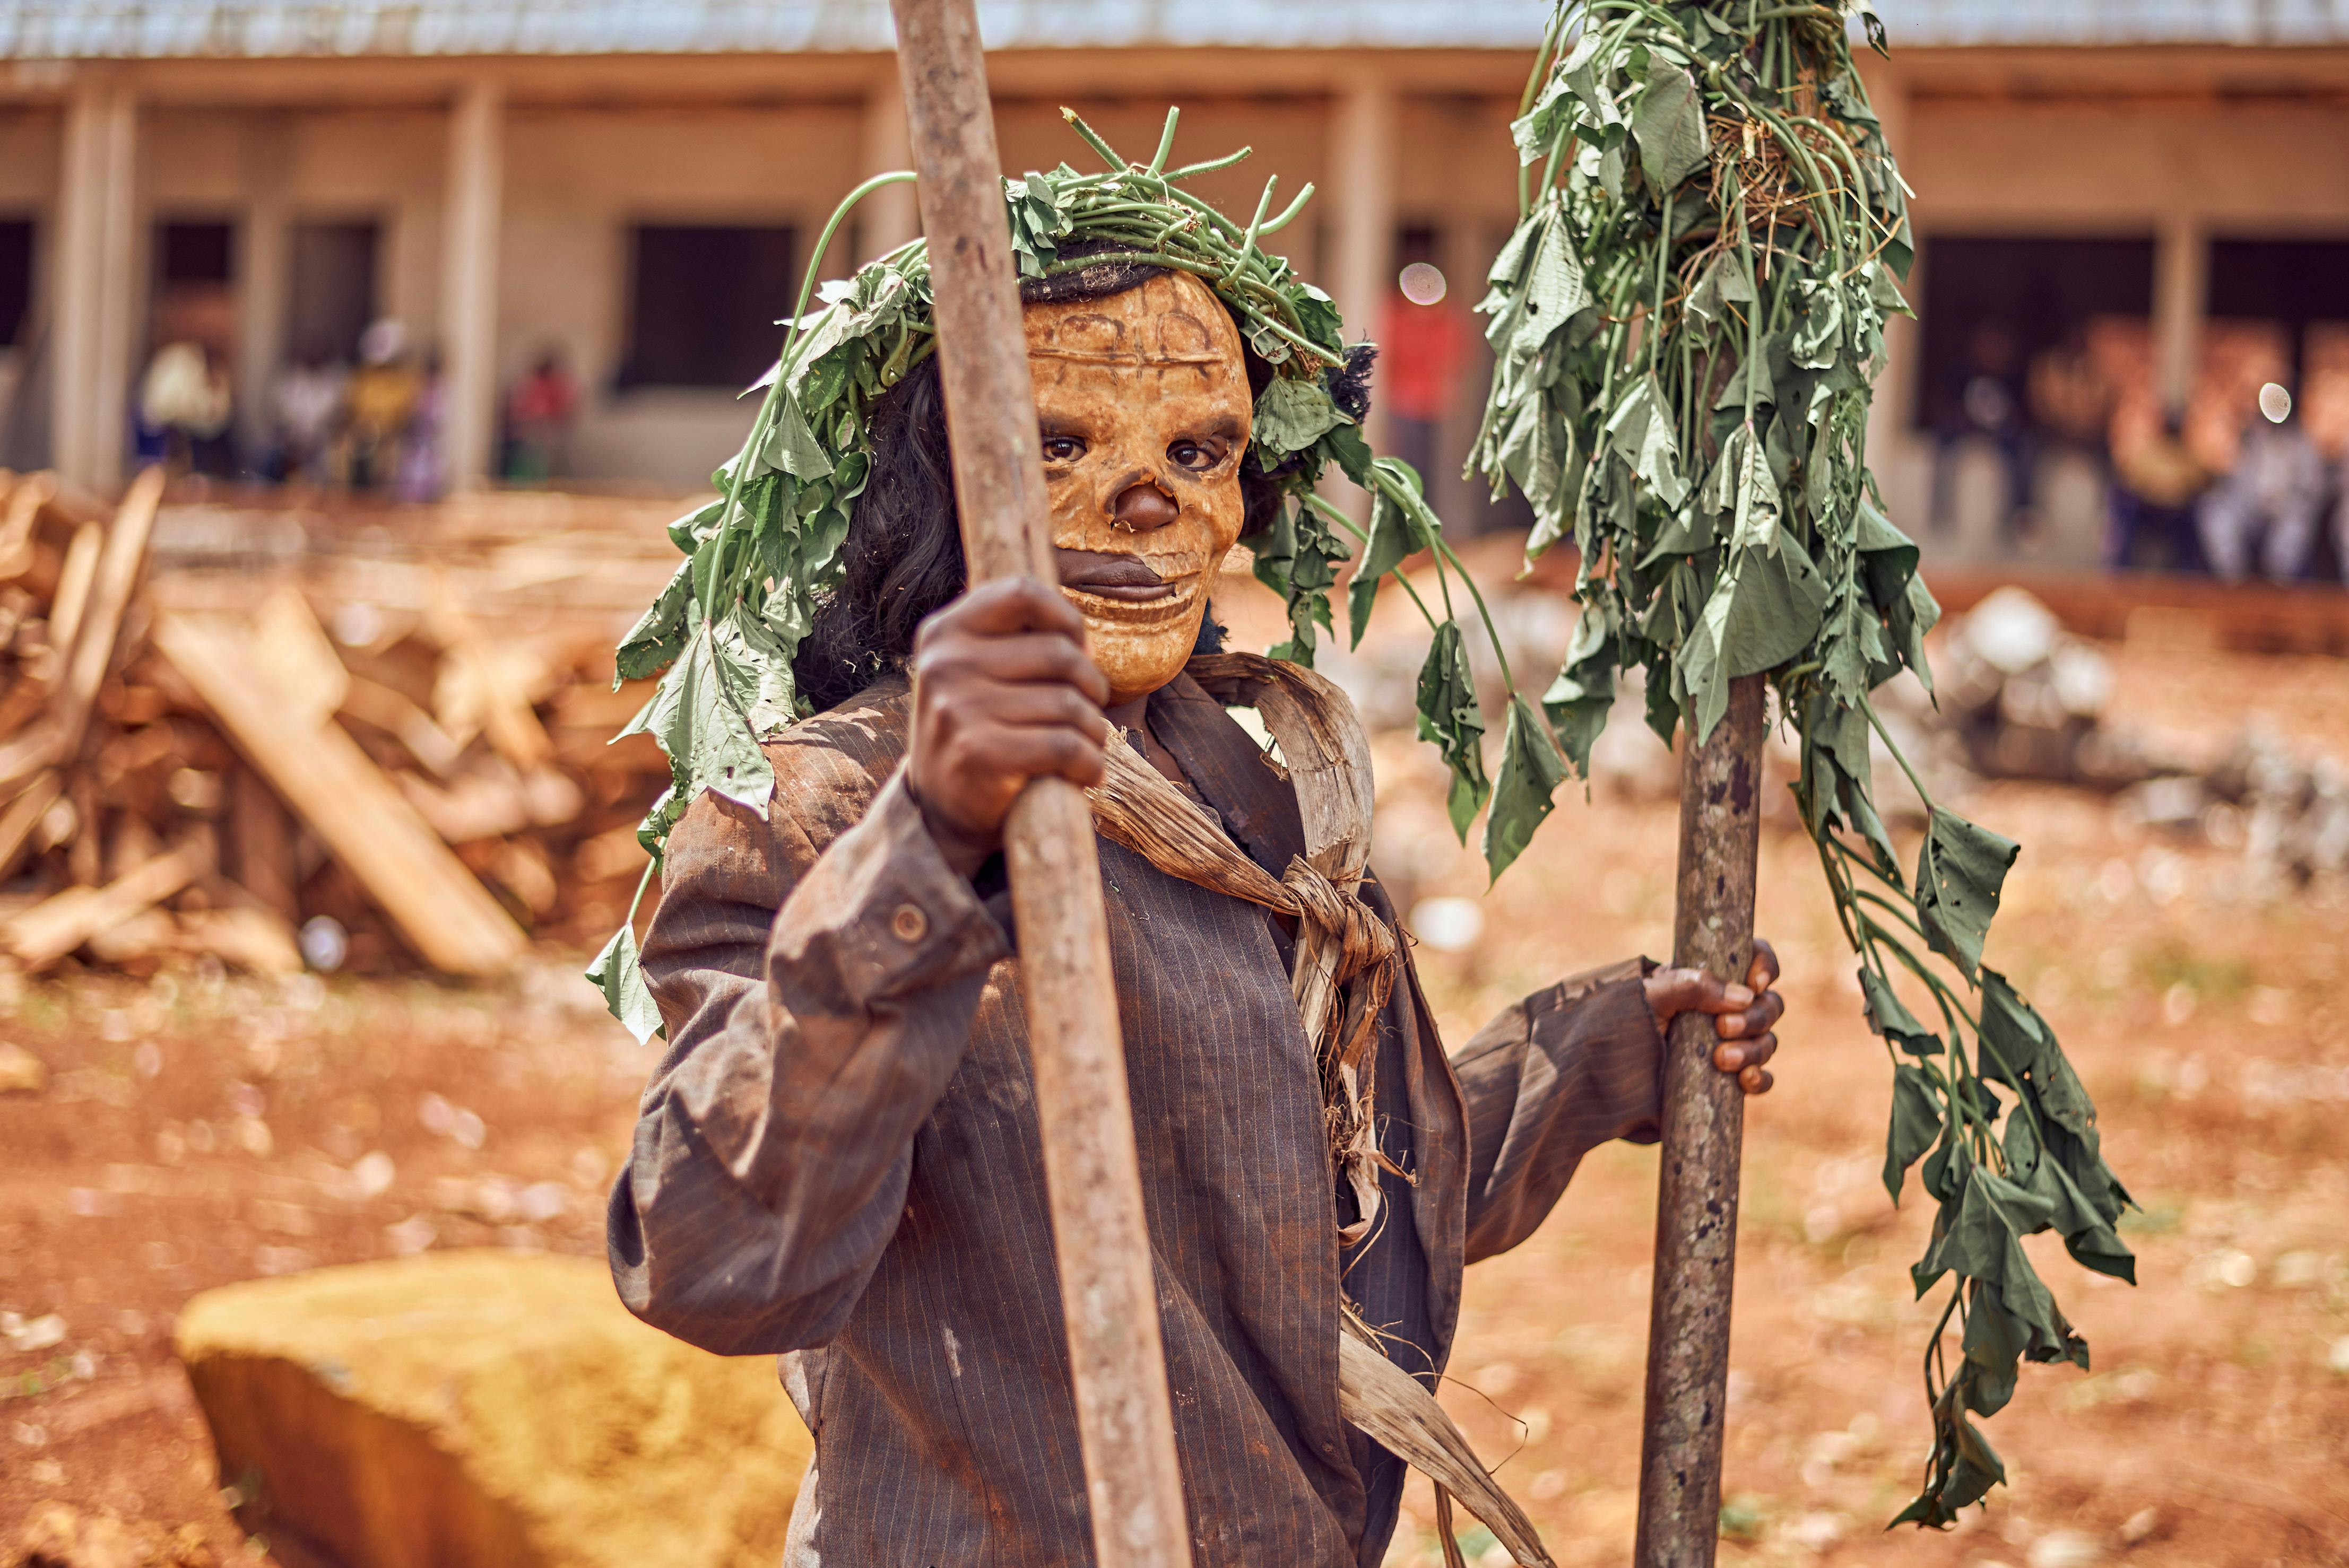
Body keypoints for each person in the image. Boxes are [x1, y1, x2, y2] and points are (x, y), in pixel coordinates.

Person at [608, 234, 1790, 1566]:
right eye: (1056, 444)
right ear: (941, 487)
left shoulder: (1253, 792)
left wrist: (1605, 1049)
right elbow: (709, 1259)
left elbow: (1315, 1199)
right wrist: (929, 843)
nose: (1146, 501)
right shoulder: (823, 808)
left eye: (1197, 454)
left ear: (1244, 500)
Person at [502, 348, 579, 483]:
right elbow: (521, 407)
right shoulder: (532, 384)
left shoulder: (556, 385)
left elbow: (565, 406)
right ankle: (523, 481)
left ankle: (544, 481)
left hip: (548, 427)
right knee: (528, 456)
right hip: (531, 428)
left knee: (544, 457)